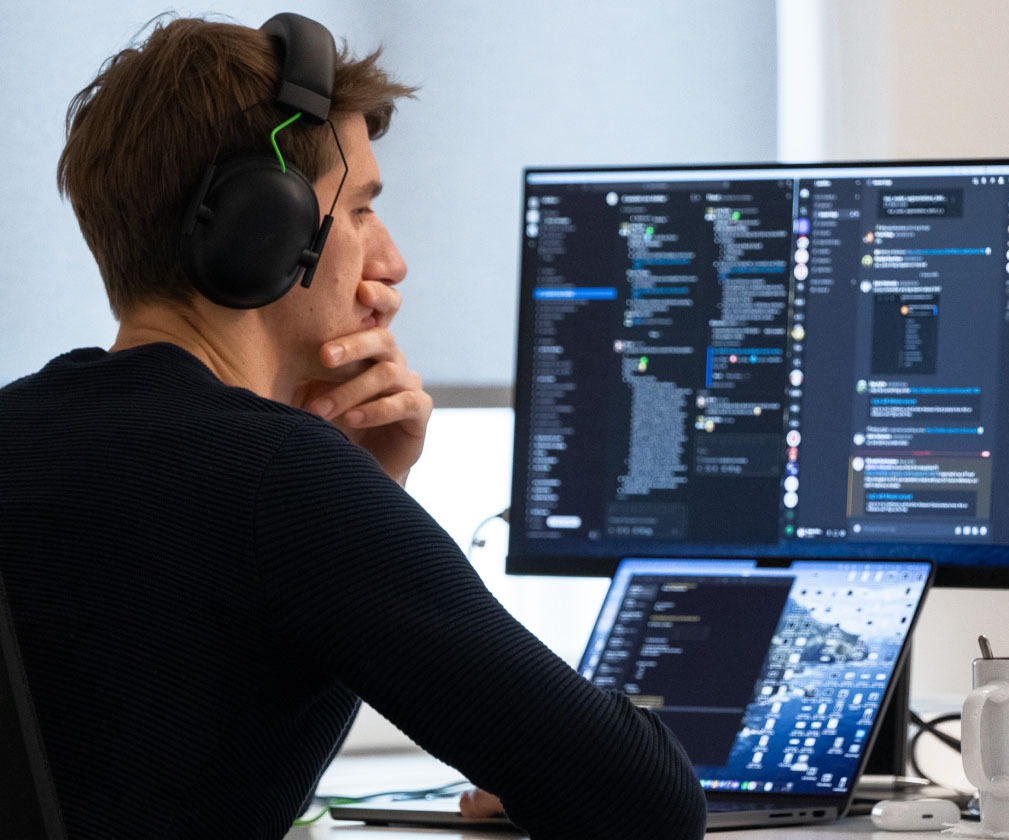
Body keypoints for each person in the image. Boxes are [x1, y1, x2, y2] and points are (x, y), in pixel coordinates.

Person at [0, 12, 707, 840]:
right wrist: (358, 490)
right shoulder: (281, 483)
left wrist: (366, 489)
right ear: (264, 226)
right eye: (363, 209)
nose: (393, 261)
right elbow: (645, 803)